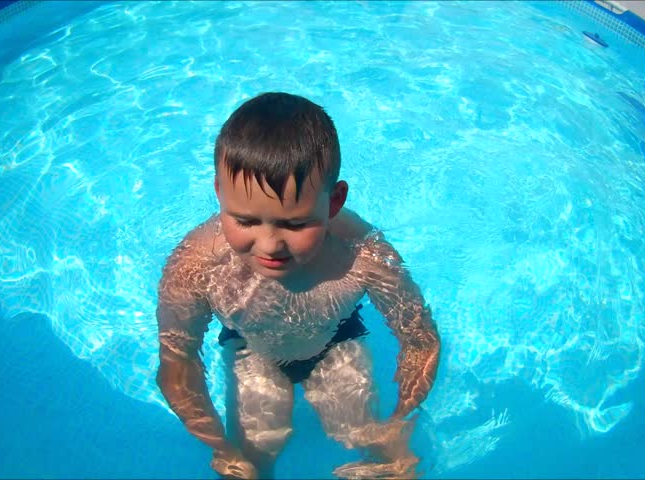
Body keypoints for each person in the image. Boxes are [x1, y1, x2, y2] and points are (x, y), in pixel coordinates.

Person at [155, 92, 441, 479]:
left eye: (295, 224)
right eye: (245, 221)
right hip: (250, 350)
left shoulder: (363, 256)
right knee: (249, 461)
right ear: (220, 192)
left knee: (384, 450)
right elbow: (178, 358)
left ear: (334, 201)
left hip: (337, 343)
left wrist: (402, 415)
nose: (270, 245)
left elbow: (419, 338)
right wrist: (219, 445)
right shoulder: (198, 264)